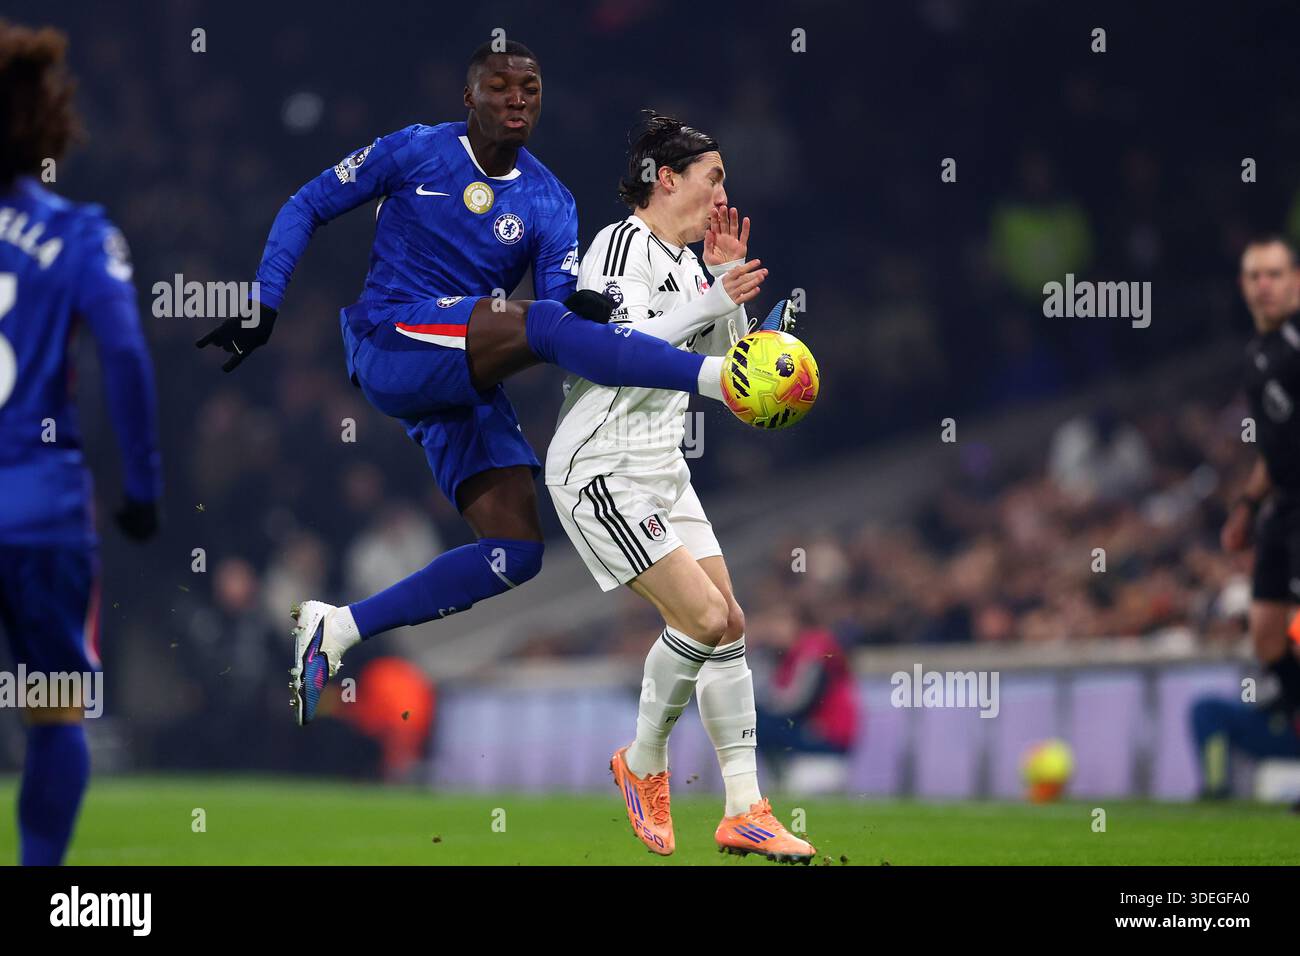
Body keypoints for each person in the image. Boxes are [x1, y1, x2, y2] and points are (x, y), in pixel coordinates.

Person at [196, 42, 735, 725]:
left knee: (515, 554)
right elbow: (307, 203)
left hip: (458, 371)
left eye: (530, 89)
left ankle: (339, 627)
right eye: (500, 86)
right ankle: (717, 379)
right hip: (391, 337)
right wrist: (264, 300)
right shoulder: (415, 150)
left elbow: (562, 311)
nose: (517, 99)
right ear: (468, 97)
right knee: (538, 325)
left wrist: (584, 313)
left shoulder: (550, 200)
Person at [545, 113, 813, 862]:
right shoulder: (616, 246)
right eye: (714, 175)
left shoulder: (691, 265)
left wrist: (730, 296)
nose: (723, 190)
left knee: (728, 623)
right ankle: (640, 762)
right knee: (698, 617)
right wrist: (707, 297)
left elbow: (731, 373)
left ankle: (744, 810)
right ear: (668, 179)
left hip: (664, 467)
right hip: (603, 466)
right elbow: (613, 350)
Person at [0, 20, 162, 864]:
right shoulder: (76, 233)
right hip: (39, 511)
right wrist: (142, 486)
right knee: (55, 704)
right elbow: (127, 354)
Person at [1219, 235, 1300, 760]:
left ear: (1297, 280)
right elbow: (1274, 445)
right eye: (1254, 276)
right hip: (1283, 504)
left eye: (1274, 274)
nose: (1264, 285)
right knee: (1268, 637)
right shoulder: (1257, 356)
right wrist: (1247, 506)